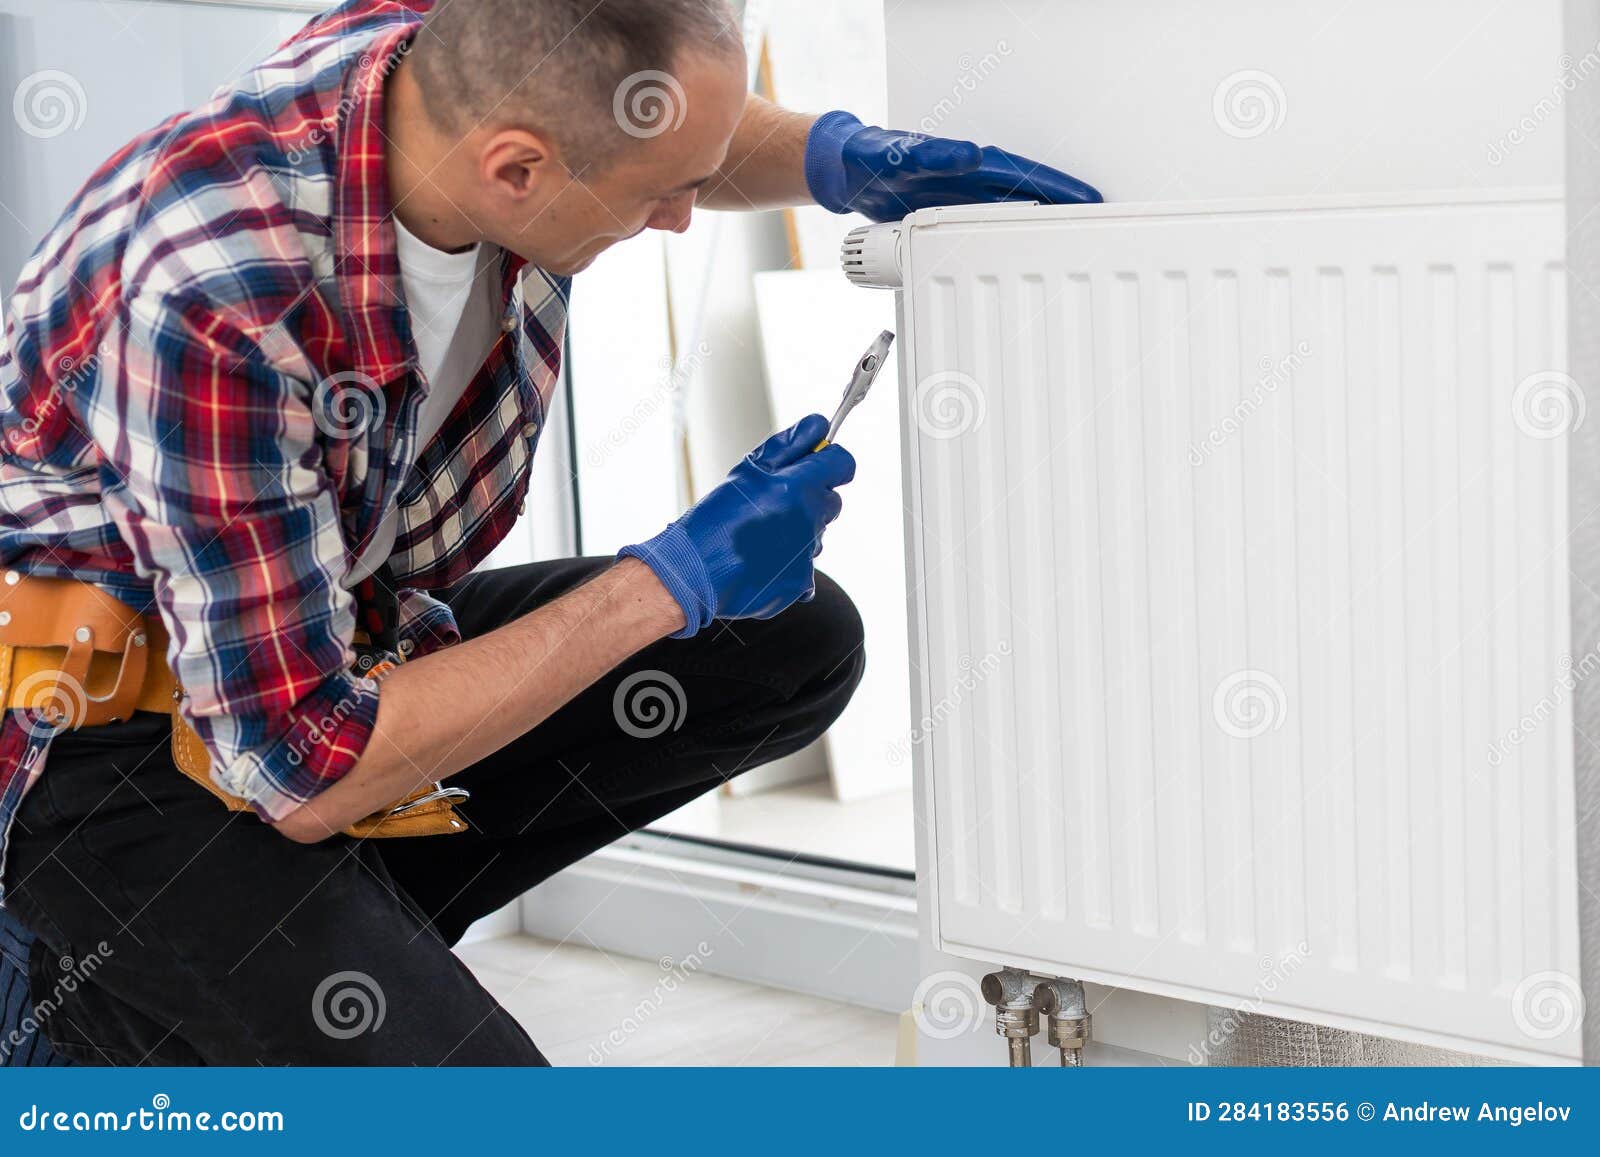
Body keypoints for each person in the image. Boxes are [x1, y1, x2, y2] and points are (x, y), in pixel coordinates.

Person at [0, 0, 1100, 1065]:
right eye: (662, 194)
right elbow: (299, 763)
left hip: (336, 638)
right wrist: (666, 581)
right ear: (516, 169)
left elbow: (659, 123)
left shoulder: (467, 49)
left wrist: (840, 157)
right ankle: (90, 1010)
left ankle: (289, 962)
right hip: (111, 741)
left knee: (789, 640)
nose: (684, 213)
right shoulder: (219, 294)